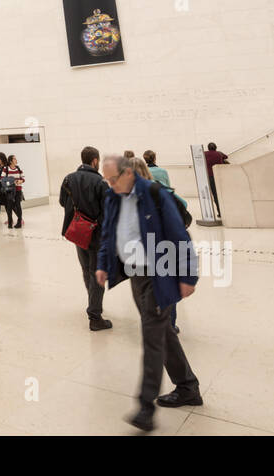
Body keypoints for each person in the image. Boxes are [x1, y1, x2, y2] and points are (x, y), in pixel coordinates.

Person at [96, 154, 200, 431]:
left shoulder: (154, 194)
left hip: (159, 274)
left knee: (152, 338)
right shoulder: (114, 196)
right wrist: (103, 264)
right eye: (106, 179)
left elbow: (179, 235)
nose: (109, 184)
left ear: (129, 173)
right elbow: (108, 234)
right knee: (163, 331)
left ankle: (145, 407)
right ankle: (188, 387)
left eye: (113, 178)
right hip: (135, 275)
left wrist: (188, 276)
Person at [61, 146, 112, 332]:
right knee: (97, 273)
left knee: (85, 269)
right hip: (96, 235)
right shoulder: (100, 182)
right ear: (95, 161)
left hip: (78, 232)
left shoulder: (68, 179)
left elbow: (61, 202)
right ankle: (95, 316)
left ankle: (93, 302)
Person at [202, 142, 228, 217]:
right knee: (223, 193)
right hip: (220, 176)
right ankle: (226, 210)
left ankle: (220, 212)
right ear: (216, 147)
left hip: (210, 177)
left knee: (215, 194)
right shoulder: (219, 153)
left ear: (208, 147)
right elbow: (226, 157)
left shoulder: (205, 154)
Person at [1, 154, 24, 229]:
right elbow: (2, 179)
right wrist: (12, 182)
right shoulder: (6, 169)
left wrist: (21, 181)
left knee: (18, 206)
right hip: (10, 191)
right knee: (9, 207)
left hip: (18, 190)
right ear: (10, 161)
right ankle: (10, 223)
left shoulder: (18, 168)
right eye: (14, 159)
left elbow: (22, 177)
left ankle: (19, 222)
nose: (16, 160)